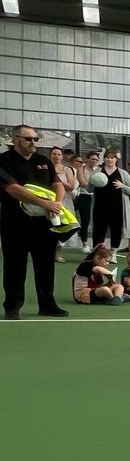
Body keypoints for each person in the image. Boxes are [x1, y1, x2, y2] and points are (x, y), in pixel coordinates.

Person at [0, 124, 69, 319]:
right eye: (28, 139)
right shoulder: (4, 160)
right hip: (14, 223)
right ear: (15, 139)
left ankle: (47, 304)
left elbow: (57, 183)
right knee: (15, 265)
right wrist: (44, 203)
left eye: (36, 139)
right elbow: (12, 188)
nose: (33, 143)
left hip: (44, 224)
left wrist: (58, 203)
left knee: (46, 264)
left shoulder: (43, 161)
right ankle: (12, 306)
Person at [91, 150, 130, 250]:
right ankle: (97, 252)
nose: (109, 159)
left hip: (117, 207)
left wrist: (123, 186)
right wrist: (94, 182)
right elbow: (89, 187)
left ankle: (113, 252)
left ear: (116, 159)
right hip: (100, 207)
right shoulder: (98, 172)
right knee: (98, 230)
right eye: (107, 157)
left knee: (116, 230)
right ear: (104, 159)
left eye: (112, 158)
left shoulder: (123, 173)